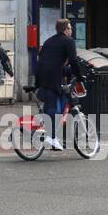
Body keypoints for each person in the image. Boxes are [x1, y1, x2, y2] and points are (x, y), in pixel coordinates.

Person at [34, 20, 84, 151]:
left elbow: (47, 61)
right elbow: (73, 61)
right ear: (65, 29)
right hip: (53, 78)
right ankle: (51, 137)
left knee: (55, 103)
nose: (71, 30)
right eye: (70, 28)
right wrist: (79, 77)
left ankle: (50, 134)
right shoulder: (68, 41)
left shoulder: (48, 41)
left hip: (42, 76)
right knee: (53, 106)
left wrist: (36, 82)